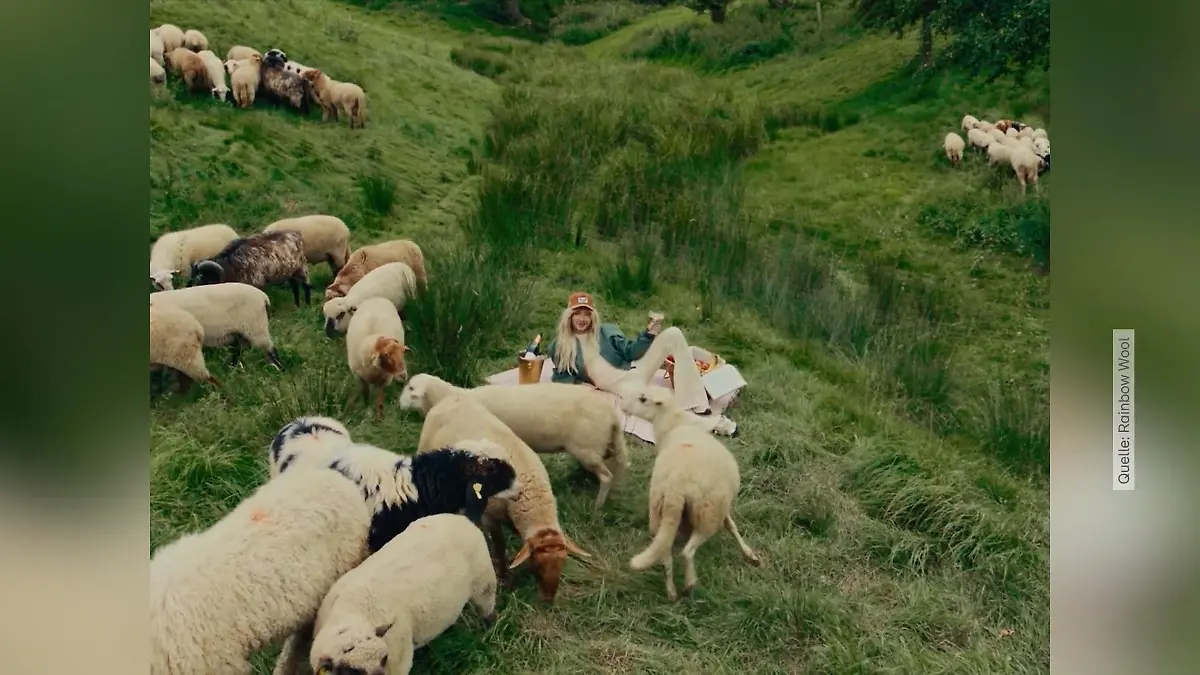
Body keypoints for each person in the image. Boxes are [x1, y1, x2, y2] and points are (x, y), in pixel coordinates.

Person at [543, 291, 737, 437]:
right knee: (657, 407)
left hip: (635, 371)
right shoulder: (560, 347)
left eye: (587, 314)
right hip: (622, 386)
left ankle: (695, 402)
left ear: (592, 316)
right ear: (569, 315)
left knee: (674, 334)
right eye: (578, 313)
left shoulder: (605, 331)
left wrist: (649, 333)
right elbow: (563, 381)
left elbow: (631, 351)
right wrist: (583, 389)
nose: (582, 319)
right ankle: (716, 424)